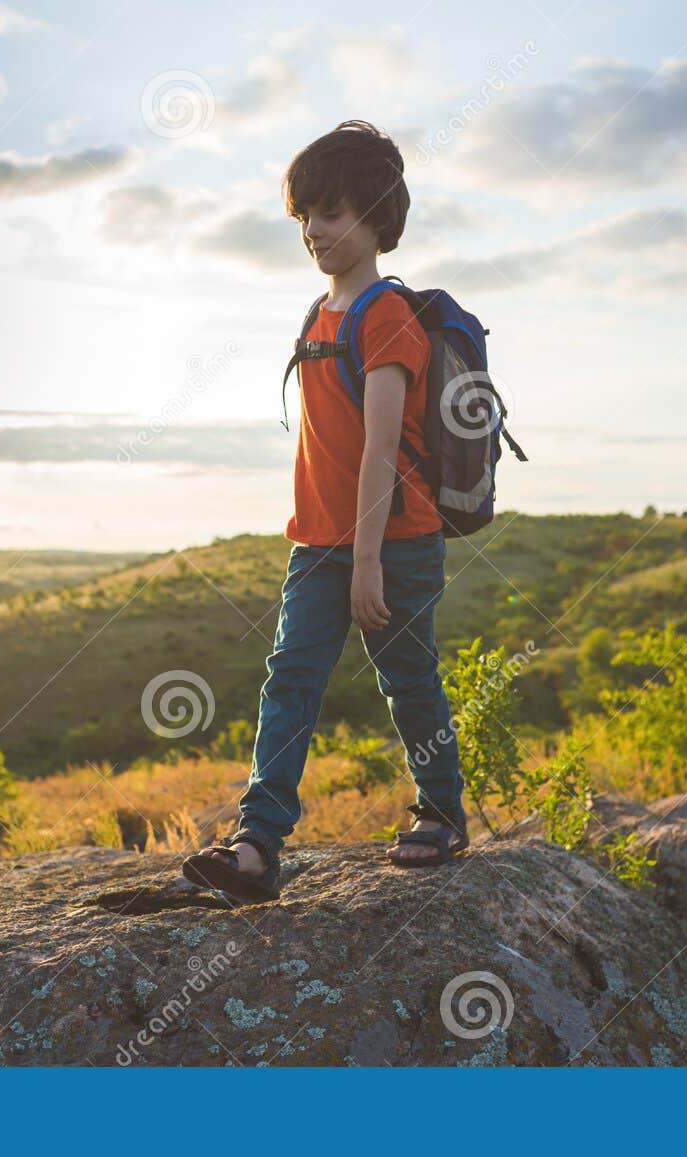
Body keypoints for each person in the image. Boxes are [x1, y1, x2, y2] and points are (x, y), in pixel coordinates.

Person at [181, 120, 469, 903]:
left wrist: (368, 559)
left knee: (409, 680)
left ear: (377, 218)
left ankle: (442, 813)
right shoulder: (317, 314)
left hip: (396, 542)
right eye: (305, 214)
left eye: (333, 213)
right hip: (315, 543)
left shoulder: (387, 316)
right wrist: (332, 547)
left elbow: (380, 447)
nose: (314, 230)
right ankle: (257, 846)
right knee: (291, 680)